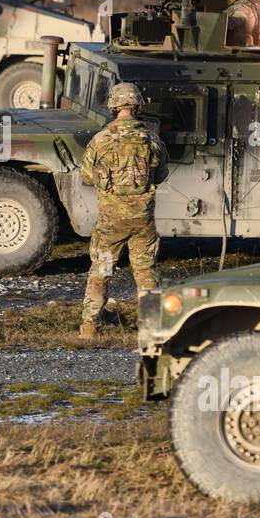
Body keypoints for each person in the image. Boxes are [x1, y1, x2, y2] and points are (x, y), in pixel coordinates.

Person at [78, 83, 169, 339]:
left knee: (102, 270)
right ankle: (152, 328)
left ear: (114, 106)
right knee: (146, 271)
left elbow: (87, 175)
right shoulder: (151, 139)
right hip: (142, 222)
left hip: (111, 224)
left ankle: (89, 327)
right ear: (137, 105)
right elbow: (161, 174)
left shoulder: (101, 140)